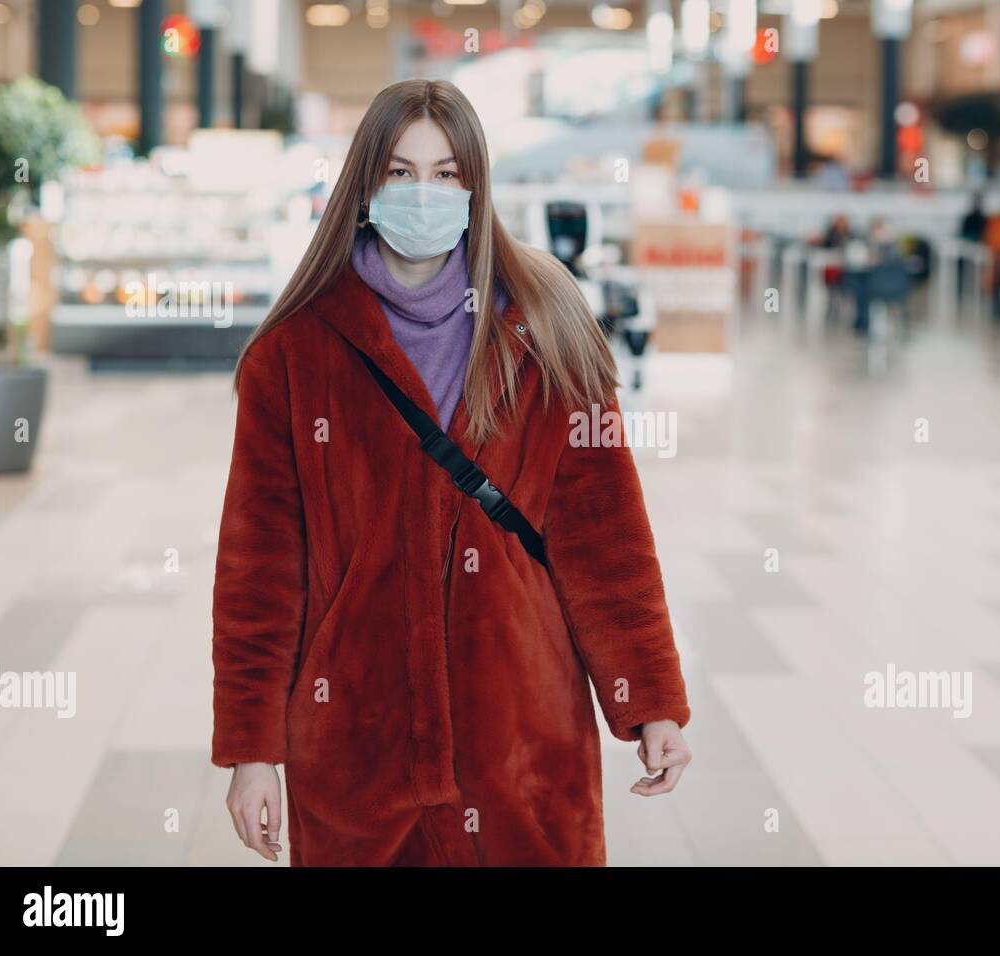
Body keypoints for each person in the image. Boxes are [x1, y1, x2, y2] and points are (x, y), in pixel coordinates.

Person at [211, 79, 693, 867]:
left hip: (523, 739)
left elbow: (606, 537)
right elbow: (260, 575)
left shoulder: (548, 324)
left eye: (446, 173)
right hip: (356, 741)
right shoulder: (294, 353)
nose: (424, 193)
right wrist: (252, 749)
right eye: (400, 173)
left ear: (476, 186)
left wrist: (651, 702)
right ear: (364, 186)